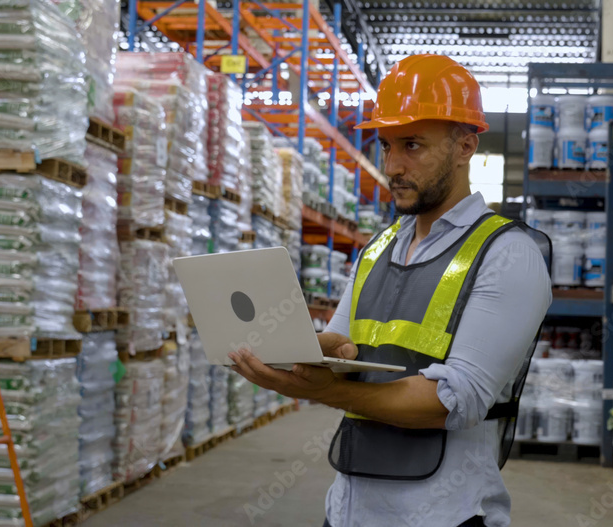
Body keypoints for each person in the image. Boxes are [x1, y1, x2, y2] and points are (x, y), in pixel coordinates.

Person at [228, 54, 552, 527]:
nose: (393, 165)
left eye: (413, 145)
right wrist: (291, 354)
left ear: (466, 146)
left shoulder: (507, 253)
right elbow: (341, 349)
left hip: (445, 517)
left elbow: (453, 400)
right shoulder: (377, 250)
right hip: (347, 511)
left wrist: (329, 393)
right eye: (386, 145)